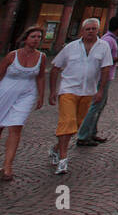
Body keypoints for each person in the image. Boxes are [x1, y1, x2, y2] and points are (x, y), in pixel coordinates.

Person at [0, 27, 47, 181]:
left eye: (39, 37)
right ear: (25, 38)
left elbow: (41, 77)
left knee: (16, 126)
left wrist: (41, 95)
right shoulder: (12, 56)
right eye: (33, 36)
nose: (36, 39)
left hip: (27, 94)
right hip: (4, 92)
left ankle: (7, 165)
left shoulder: (42, 57)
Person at [48, 18, 113, 175]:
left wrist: (100, 90)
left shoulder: (103, 47)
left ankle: (56, 148)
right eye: (88, 29)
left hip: (88, 91)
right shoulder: (70, 47)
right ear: (82, 31)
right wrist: (52, 91)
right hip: (68, 90)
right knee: (67, 122)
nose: (90, 31)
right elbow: (55, 68)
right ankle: (63, 160)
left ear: (98, 30)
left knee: (75, 125)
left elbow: (105, 69)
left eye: (94, 28)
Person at [76, 15, 118, 146]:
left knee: (99, 106)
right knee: (95, 106)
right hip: (102, 77)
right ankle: (83, 135)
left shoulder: (108, 39)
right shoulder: (108, 40)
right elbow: (103, 59)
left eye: (94, 29)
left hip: (105, 76)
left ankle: (92, 132)